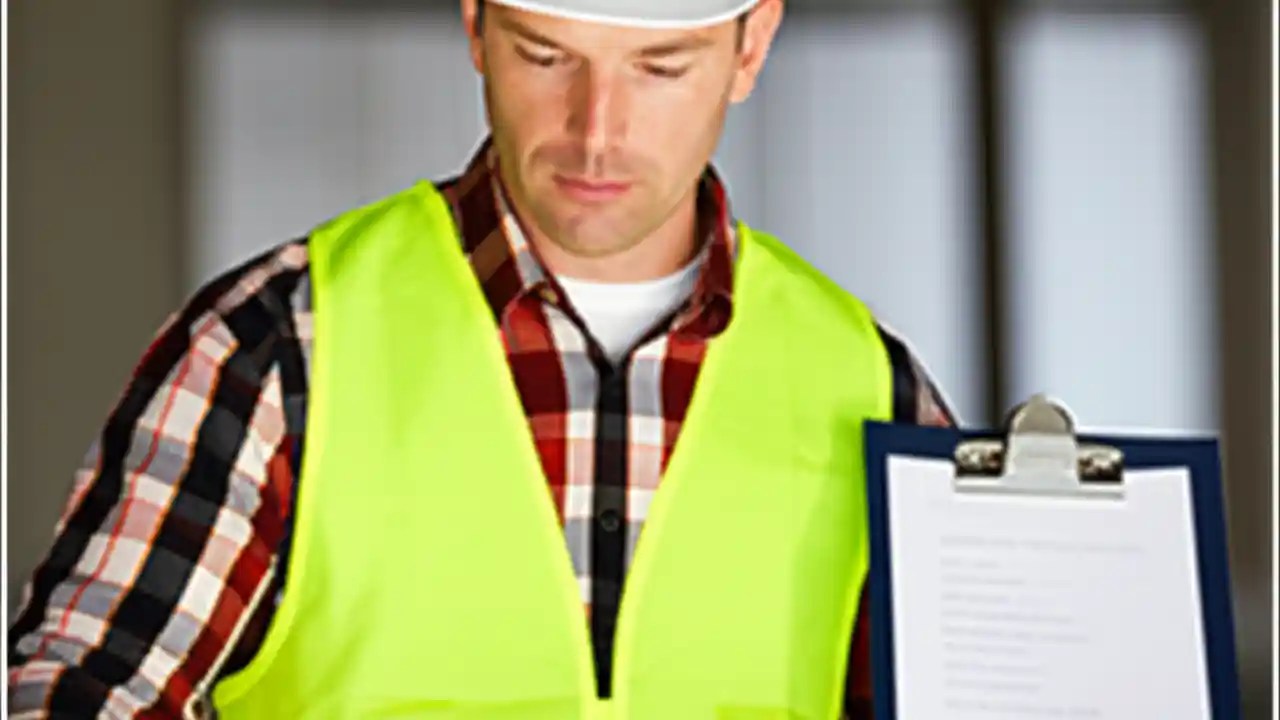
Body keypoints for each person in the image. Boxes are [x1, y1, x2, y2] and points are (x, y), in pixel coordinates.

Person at [8, 0, 955, 717]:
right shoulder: (280, 346)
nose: (596, 128)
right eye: (545, 57)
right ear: (475, 27)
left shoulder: (872, 390)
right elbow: (86, 686)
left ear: (751, 46)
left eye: (661, 68)